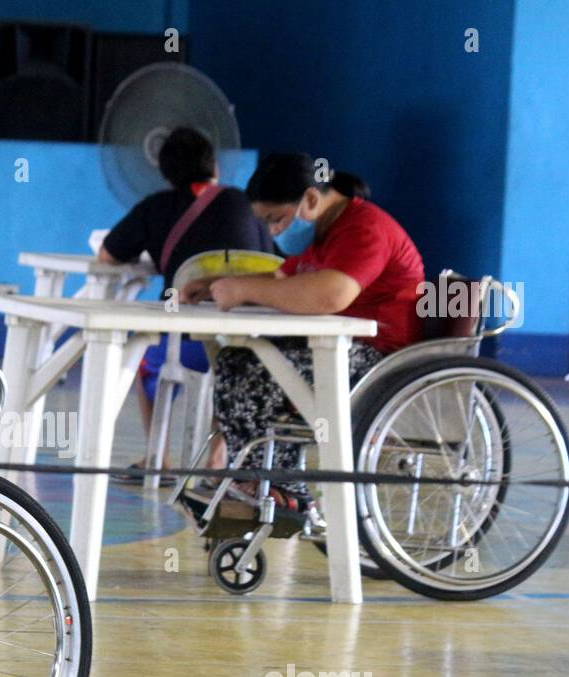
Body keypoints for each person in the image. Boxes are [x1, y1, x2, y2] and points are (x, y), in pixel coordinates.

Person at [182, 151, 424, 509]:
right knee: (235, 361)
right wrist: (219, 282)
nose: (273, 231)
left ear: (311, 199)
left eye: (276, 219)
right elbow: (284, 277)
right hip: (340, 348)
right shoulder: (330, 230)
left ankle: (284, 489)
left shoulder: (365, 229)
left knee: (257, 373)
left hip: (380, 359)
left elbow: (329, 294)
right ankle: (256, 479)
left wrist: (243, 291)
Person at [98, 127, 274, 480]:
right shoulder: (244, 203)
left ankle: (157, 457)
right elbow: (270, 263)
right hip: (243, 341)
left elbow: (107, 255)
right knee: (232, 371)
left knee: (147, 363)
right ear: (214, 166)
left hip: (183, 340)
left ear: (165, 173)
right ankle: (216, 461)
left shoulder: (155, 208)